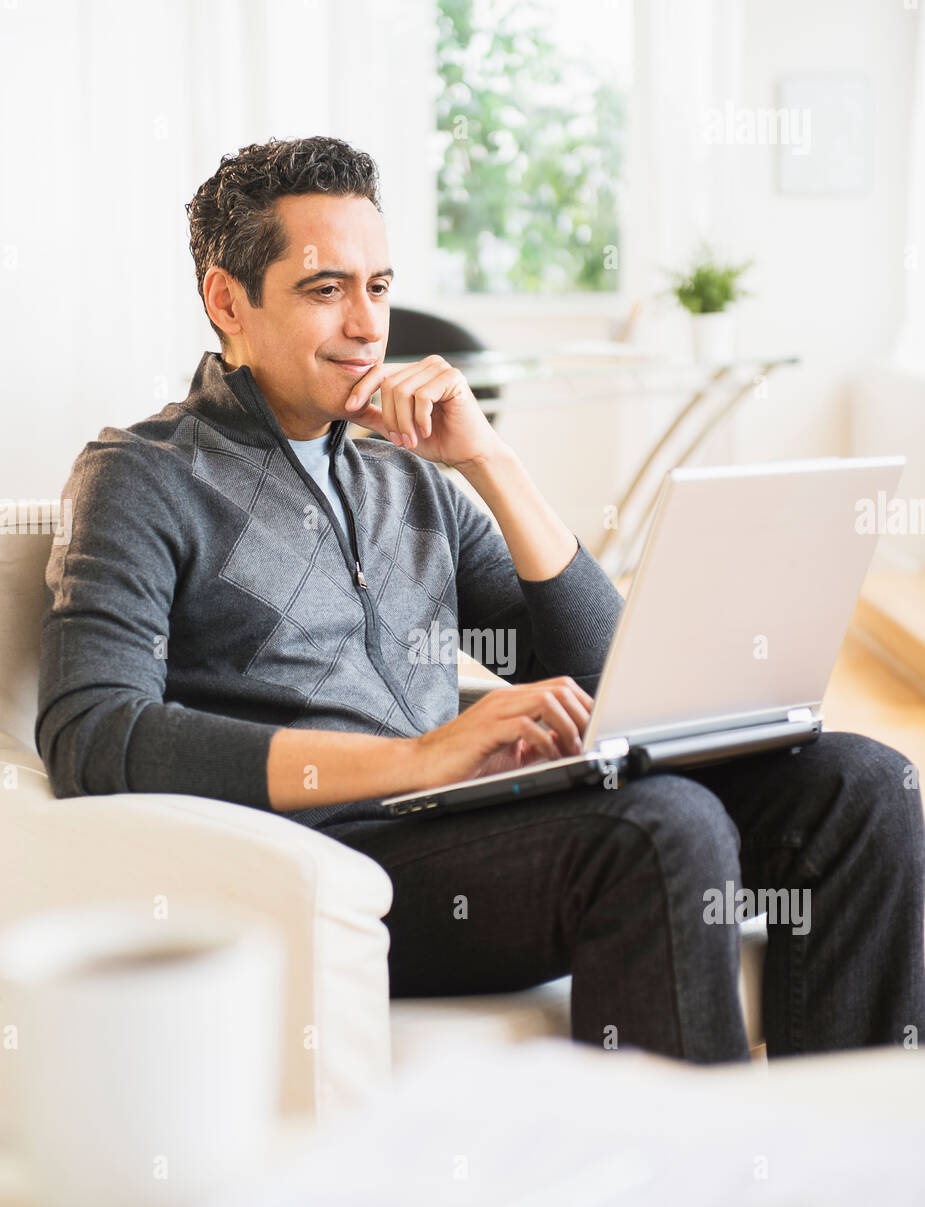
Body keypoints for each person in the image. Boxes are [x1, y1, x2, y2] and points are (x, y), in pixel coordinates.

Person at [36, 136, 925, 1063]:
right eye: (324, 289)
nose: (366, 325)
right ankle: (678, 1195)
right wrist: (417, 758)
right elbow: (92, 732)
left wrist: (491, 463)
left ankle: (837, 1147)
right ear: (228, 300)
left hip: (455, 822)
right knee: (665, 829)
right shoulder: (143, 477)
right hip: (334, 857)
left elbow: (599, 678)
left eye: (378, 287)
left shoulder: (407, 478)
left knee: (862, 783)